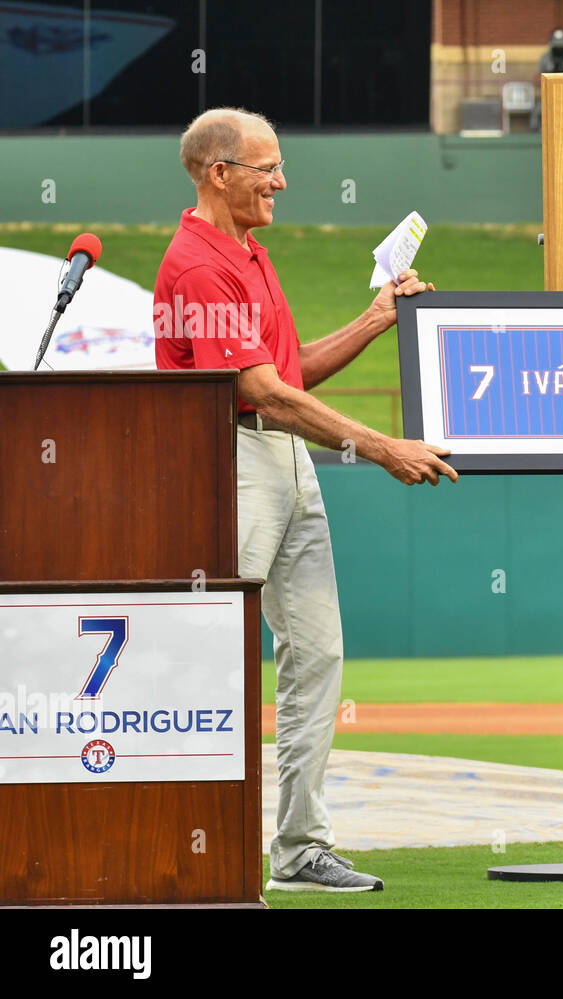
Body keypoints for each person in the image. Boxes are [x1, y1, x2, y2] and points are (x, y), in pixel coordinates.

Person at [154, 108, 458, 893]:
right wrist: (384, 446)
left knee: (318, 654)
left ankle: (296, 849)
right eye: (267, 168)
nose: (281, 182)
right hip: (231, 460)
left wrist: (374, 318)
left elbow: (287, 378)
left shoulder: (248, 253)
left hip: (283, 459)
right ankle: (190, 847)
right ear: (218, 173)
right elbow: (259, 395)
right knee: (210, 657)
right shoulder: (197, 264)